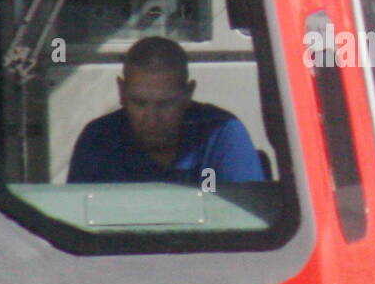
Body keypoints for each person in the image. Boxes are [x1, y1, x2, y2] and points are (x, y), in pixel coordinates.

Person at [67, 36, 265, 184]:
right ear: (121, 92)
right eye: (139, 103)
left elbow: (249, 225)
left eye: (165, 105)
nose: (152, 120)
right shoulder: (98, 139)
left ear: (188, 94)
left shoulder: (221, 134)